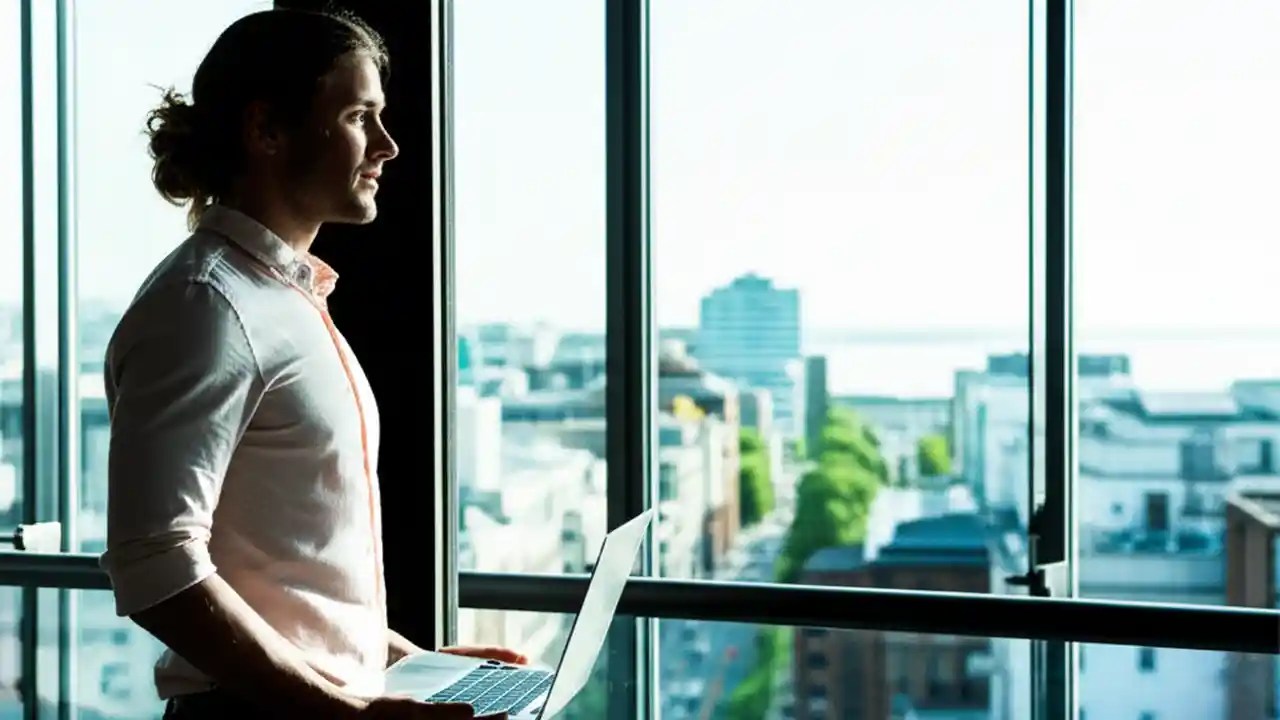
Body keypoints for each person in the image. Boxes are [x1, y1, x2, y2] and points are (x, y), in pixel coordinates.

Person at [99, 9, 523, 719]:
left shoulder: (282, 300)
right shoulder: (205, 306)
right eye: (359, 116)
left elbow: (292, 574)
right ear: (267, 130)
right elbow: (153, 563)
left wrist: (403, 660)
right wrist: (344, 712)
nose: (387, 145)